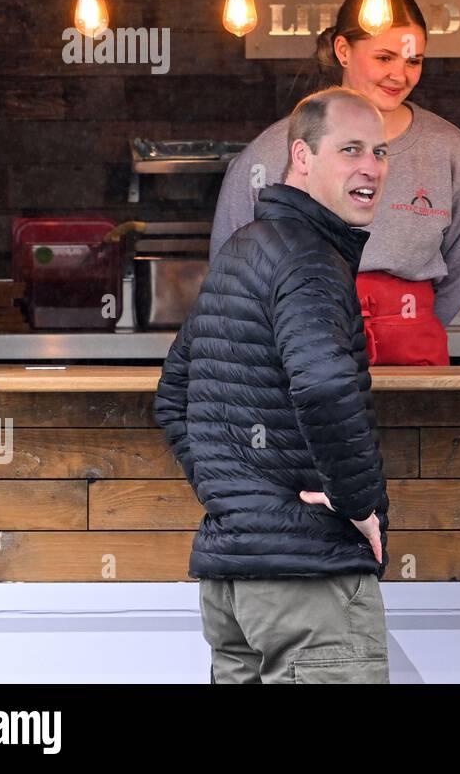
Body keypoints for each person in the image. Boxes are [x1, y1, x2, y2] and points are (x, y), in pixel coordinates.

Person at [155, 87, 391, 684]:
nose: (371, 167)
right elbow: (324, 385)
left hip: (234, 586)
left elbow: (172, 395)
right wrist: (357, 503)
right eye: (351, 150)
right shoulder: (310, 259)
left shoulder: (244, 249)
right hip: (306, 586)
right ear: (302, 158)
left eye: (381, 151)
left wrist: (235, 493)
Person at [211, 0, 460, 365]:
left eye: (413, 61)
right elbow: (230, 265)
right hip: (296, 358)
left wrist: (403, 324)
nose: (399, 75)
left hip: (412, 357)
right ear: (343, 50)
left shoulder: (447, 149)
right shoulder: (274, 150)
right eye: (385, 57)